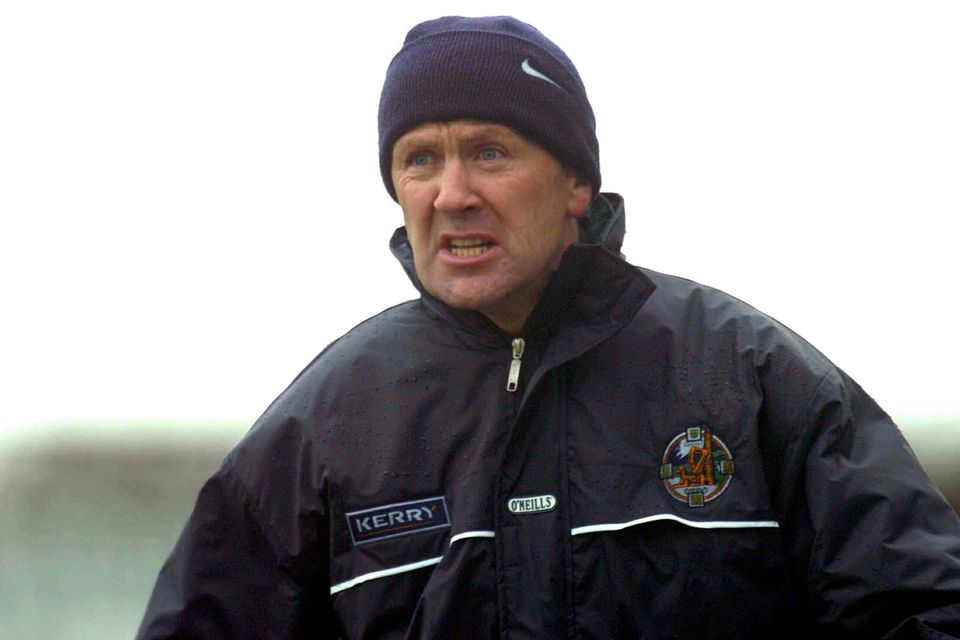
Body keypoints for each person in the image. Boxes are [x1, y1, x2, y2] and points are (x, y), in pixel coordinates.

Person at [136, 15, 960, 639]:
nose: (451, 193)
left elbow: (922, 608)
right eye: (419, 159)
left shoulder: (748, 376)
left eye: (489, 153)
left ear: (575, 184)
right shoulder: (325, 424)